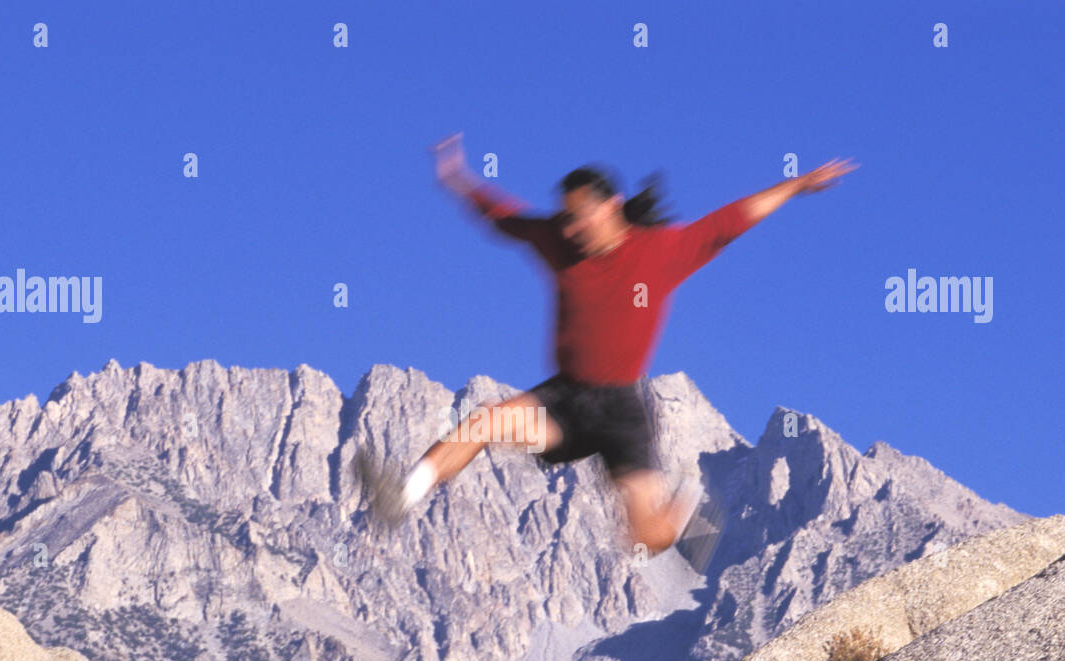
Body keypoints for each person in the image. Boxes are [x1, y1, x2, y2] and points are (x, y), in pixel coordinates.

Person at [357, 132, 856, 566]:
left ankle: (687, 516)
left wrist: (793, 186)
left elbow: (732, 220)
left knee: (641, 538)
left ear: (610, 206)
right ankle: (402, 496)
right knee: (484, 422)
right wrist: (458, 177)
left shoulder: (662, 251)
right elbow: (503, 218)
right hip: (564, 398)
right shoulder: (556, 239)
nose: (570, 230)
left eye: (579, 218)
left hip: (620, 413)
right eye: (565, 220)